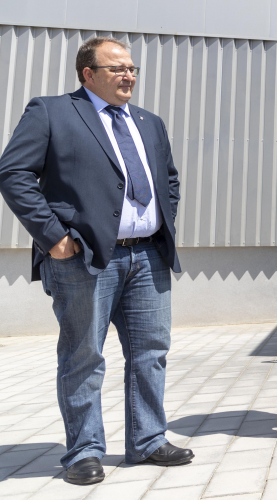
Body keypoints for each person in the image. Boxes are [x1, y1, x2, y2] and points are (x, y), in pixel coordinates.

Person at [0, 37, 192, 485]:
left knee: (151, 352)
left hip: (148, 255)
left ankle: (147, 440)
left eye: (132, 68)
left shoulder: (148, 121)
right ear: (88, 73)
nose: (129, 76)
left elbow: (168, 180)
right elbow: (13, 173)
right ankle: (83, 450)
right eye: (117, 68)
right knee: (84, 354)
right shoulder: (52, 111)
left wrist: (162, 221)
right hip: (83, 258)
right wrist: (53, 238)